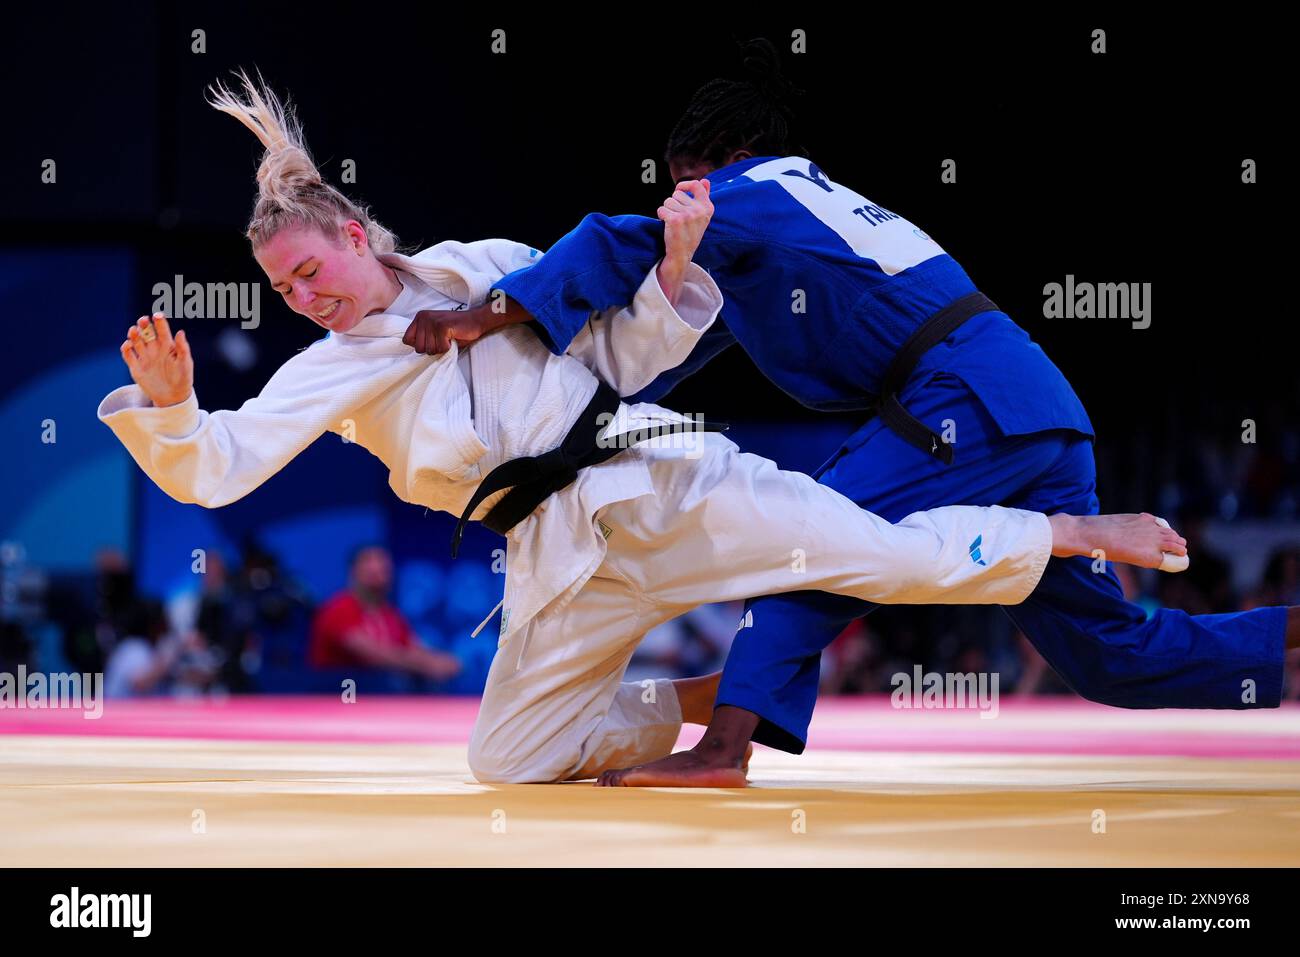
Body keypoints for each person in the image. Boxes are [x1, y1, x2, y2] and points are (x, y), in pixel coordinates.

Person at [98, 70, 1184, 784]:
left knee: (882, 553)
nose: (302, 295)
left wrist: (670, 271)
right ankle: (696, 698)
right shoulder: (328, 369)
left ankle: (1085, 535)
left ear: (348, 231)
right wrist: (172, 406)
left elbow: (616, 356)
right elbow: (222, 466)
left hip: (650, 477)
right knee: (508, 759)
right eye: (282, 288)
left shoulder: (478, 268)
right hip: (559, 555)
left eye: (307, 269)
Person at [404, 38, 1295, 787]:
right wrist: (573, 415)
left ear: (719, 156)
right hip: (1028, 396)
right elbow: (667, 343)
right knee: (1111, 656)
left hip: (962, 398)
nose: (681, 205)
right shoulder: (803, 213)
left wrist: (484, 313)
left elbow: (614, 240)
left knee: (800, 538)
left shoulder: (746, 194)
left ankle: (721, 749)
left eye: (685, 183)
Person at [310, 544, 460, 685]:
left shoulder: (391, 616)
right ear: (353, 572)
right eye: (369, 566)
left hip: (378, 696)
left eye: (383, 568)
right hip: (340, 693)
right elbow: (373, 654)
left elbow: (414, 647)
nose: (377, 571)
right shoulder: (338, 609)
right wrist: (428, 665)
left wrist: (441, 661)